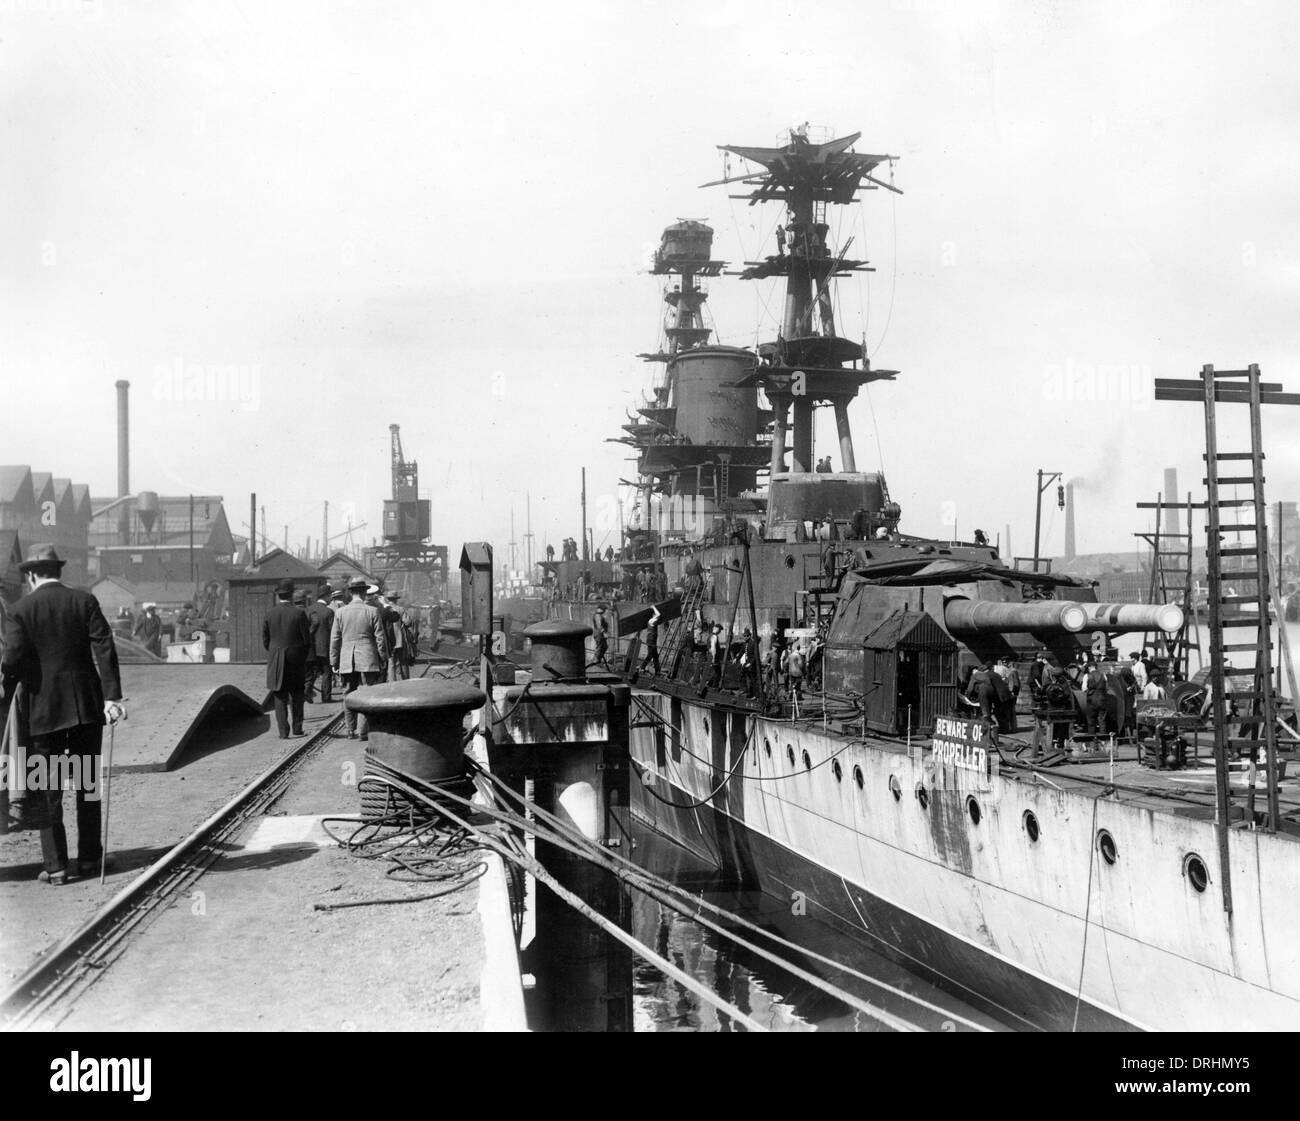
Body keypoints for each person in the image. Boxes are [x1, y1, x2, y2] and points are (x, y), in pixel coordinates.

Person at [1, 544, 125, 884]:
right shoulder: (84, 601)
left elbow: (11, 659)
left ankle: (56, 867)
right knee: (87, 784)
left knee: (47, 787)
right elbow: (104, 646)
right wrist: (112, 697)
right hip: (86, 706)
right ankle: (89, 860)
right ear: (58, 571)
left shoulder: (21, 610)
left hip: (44, 710)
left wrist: (14, 683)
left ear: (30, 575)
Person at [331, 577, 388, 740]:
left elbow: (335, 639)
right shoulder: (372, 611)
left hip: (346, 657)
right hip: (368, 656)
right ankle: (363, 731)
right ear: (364, 593)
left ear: (350, 593)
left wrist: (333, 661)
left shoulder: (340, 612)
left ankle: (350, 730)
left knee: (348, 693)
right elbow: (380, 638)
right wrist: (383, 657)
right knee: (367, 692)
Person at [263, 580, 310, 739]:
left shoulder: (270, 613)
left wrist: (275, 653)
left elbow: (265, 640)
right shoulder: (299, 613)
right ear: (291, 595)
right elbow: (306, 640)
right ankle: (298, 729)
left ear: (278, 596)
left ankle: (283, 732)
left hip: (276, 659)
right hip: (296, 660)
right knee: (297, 694)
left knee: (279, 695)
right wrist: (301, 657)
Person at [304, 586, 335, 703]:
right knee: (327, 673)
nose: (331, 598)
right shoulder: (329, 612)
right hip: (324, 648)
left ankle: (307, 692)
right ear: (326, 596)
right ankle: (326, 697)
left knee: (312, 672)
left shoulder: (309, 609)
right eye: (330, 596)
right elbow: (333, 632)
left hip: (311, 649)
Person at [381, 590, 409, 681]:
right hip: (400, 639)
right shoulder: (401, 609)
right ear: (396, 599)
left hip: (389, 640)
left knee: (391, 663)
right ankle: (406, 681)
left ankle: (392, 683)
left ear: (388, 599)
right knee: (403, 661)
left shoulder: (383, 609)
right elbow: (408, 622)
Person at [1084, 661, 1109, 735]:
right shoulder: (1103, 675)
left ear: (1089, 667)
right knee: (1102, 719)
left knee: (1091, 720)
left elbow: (1084, 689)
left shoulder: (1087, 676)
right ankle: (1103, 739)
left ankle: (1091, 738)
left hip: (1091, 700)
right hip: (1102, 699)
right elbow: (1106, 688)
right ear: (1096, 667)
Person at [640, 605, 662, 675]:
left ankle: (658, 671)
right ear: (653, 615)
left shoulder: (652, 621)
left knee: (655, 655)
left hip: (652, 640)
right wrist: (653, 607)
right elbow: (659, 614)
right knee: (650, 655)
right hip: (651, 640)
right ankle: (642, 667)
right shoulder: (652, 620)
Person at [740, 628, 758, 698]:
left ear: (749, 636)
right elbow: (742, 652)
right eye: (744, 636)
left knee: (753, 680)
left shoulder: (753, 643)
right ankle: (746, 691)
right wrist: (736, 658)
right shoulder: (745, 644)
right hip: (747, 663)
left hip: (752, 664)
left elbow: (755, 655)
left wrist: (751, 663)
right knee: (743, 675)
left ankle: (755, 695)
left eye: (745, 636)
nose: (744, 637)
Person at [591, 603, 610, 668]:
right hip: (599, 633)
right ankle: (596, 661)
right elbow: (599, 626)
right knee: (600, 647)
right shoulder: (598, 615)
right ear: (600, 609)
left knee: (604, 646)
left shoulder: (599, 615)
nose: (604, 611)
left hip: (599, 633)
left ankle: (598, 659)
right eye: (604, 609)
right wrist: (604, 633)